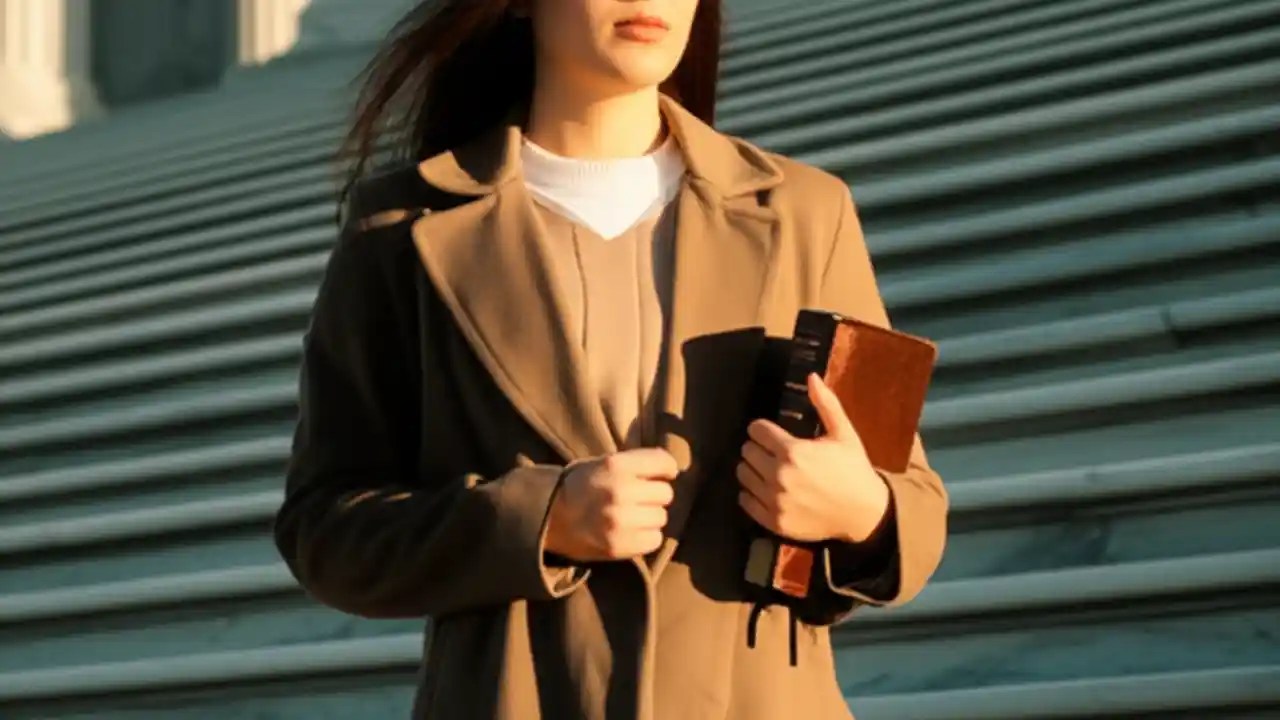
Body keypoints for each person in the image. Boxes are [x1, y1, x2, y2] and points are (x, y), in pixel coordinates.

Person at [271, 1, 949, 718]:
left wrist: (858, 509)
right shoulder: (403, 228)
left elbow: (914, 504)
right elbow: (325, 530)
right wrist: (541, 521)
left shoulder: (806, 212)